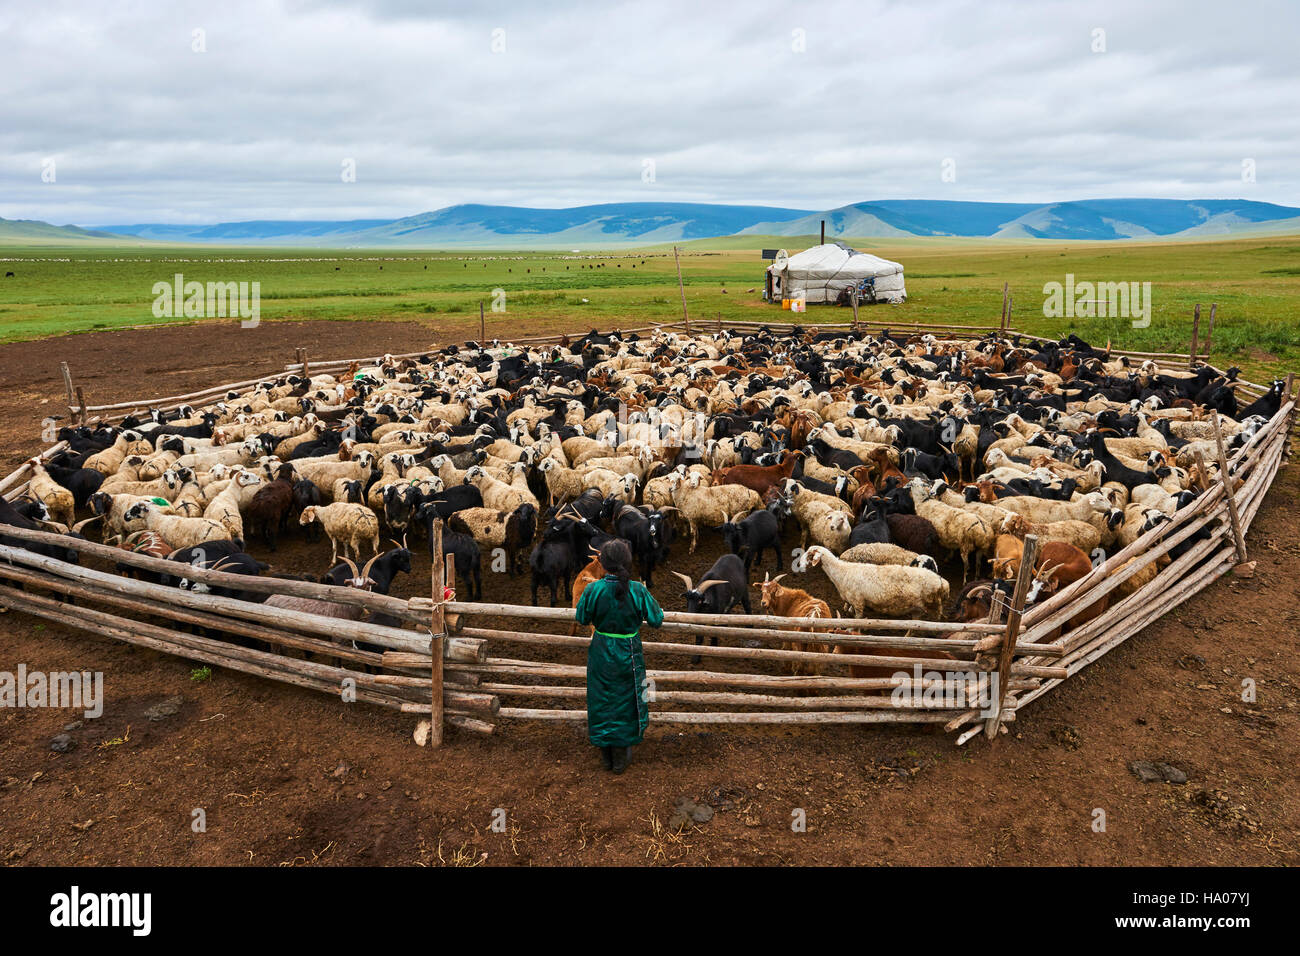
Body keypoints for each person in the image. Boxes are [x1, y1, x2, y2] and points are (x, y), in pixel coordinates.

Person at [574, 539, 664, 774]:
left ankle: (606, 752)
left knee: (602, 698)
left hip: (601, 651)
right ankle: (622, 753)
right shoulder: (637, 590)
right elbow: (656, 619)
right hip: (628, 653)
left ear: (602, 564)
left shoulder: (593, 589)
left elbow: (582, 618)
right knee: (628, 699)